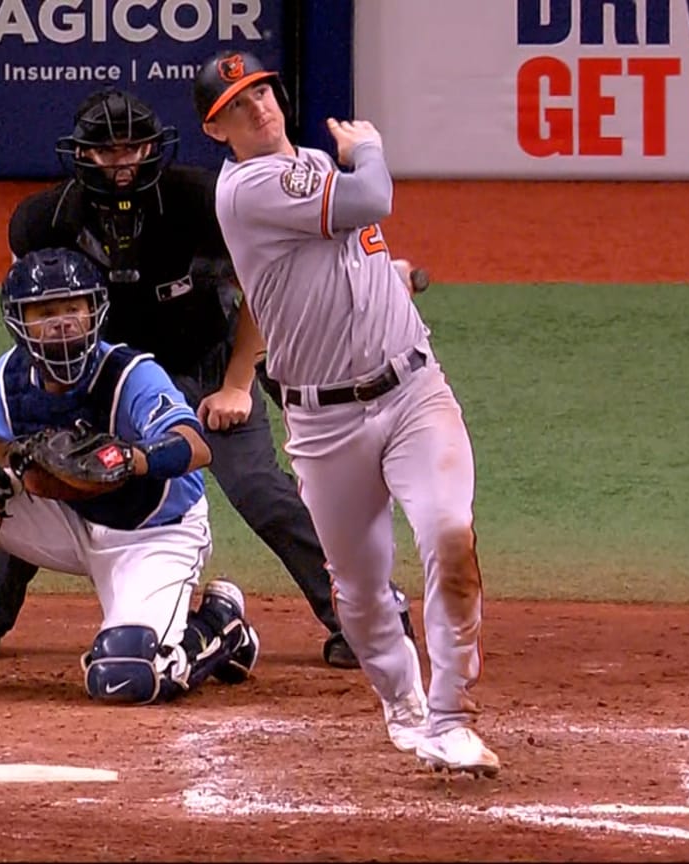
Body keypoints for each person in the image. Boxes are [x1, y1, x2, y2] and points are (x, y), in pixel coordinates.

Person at [0, 86, 413, 669]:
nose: (122, 162)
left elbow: (259, 292)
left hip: (206, 360)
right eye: (107, 151)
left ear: (156, 147)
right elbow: (34, 313)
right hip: (106, 378)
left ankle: (368, 617)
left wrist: (237, 382)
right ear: (81, 155)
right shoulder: (42, 221)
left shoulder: (201, 200)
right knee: (44, 466)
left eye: (134, 148)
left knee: (256, 486)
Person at [192, 51, 499, 776]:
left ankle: (451, 718)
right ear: (216, 129)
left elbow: (346, 256)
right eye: (239, 104)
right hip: (325, 427)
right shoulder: (254, 186)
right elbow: (370, 202)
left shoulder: (304, 167)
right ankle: (403, 702)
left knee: (449, 537)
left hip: (414, 391)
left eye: (263, 91)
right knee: (359, 590)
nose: (260, 106)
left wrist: (386, 282)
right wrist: (371, 150)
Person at [0, 248, 259, 704]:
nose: (61, 323)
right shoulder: (10, 378)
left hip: (153, 533)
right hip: (69, 520)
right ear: (19, 320)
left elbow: (194, 447)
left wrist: (124, 459)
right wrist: (27, 478)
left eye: (73, 309)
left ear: (95, 311)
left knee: (125, 676)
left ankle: (219, 626)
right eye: (45, 312)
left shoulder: (129, 373)